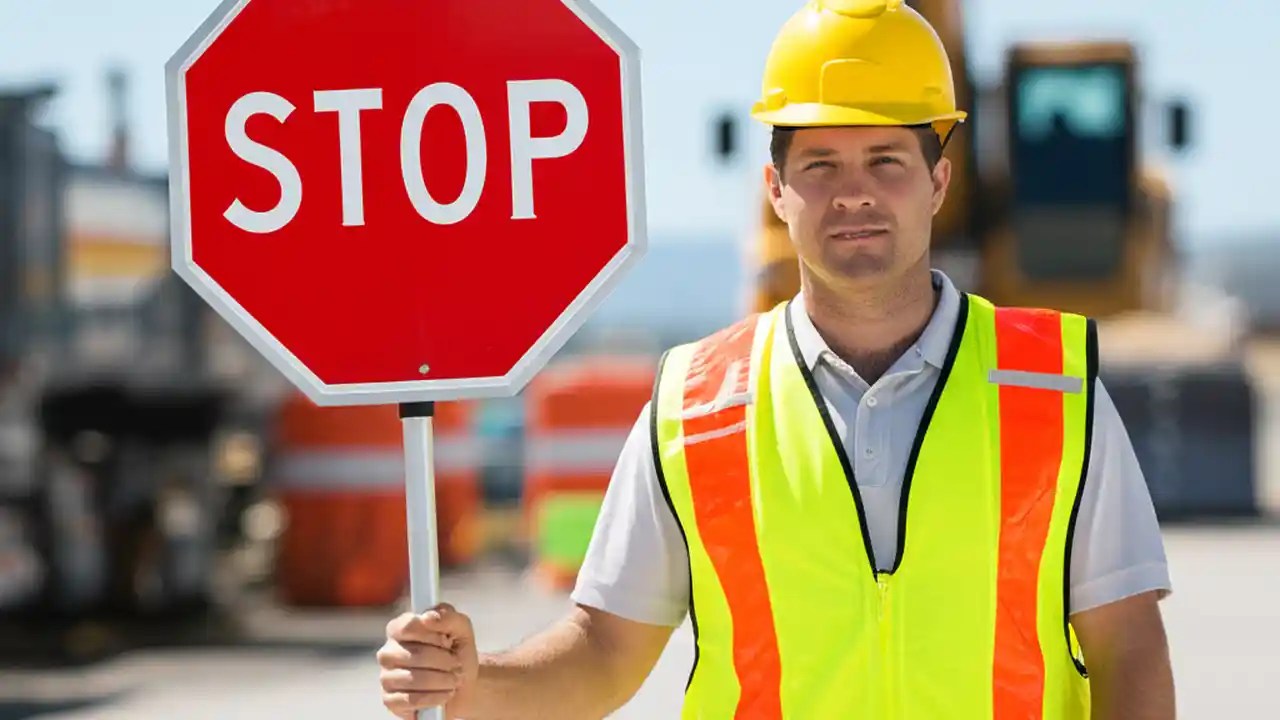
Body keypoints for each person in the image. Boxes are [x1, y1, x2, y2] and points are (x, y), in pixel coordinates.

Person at [377, 1, 1176, 717]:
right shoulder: (694, 405)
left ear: (938, 181)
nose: (854, 193)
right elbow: (605, 653)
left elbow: (1126, 644)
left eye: (885, 161)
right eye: (820, 165)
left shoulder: (1048, 384)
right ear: (775, 189)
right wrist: (476, 681)